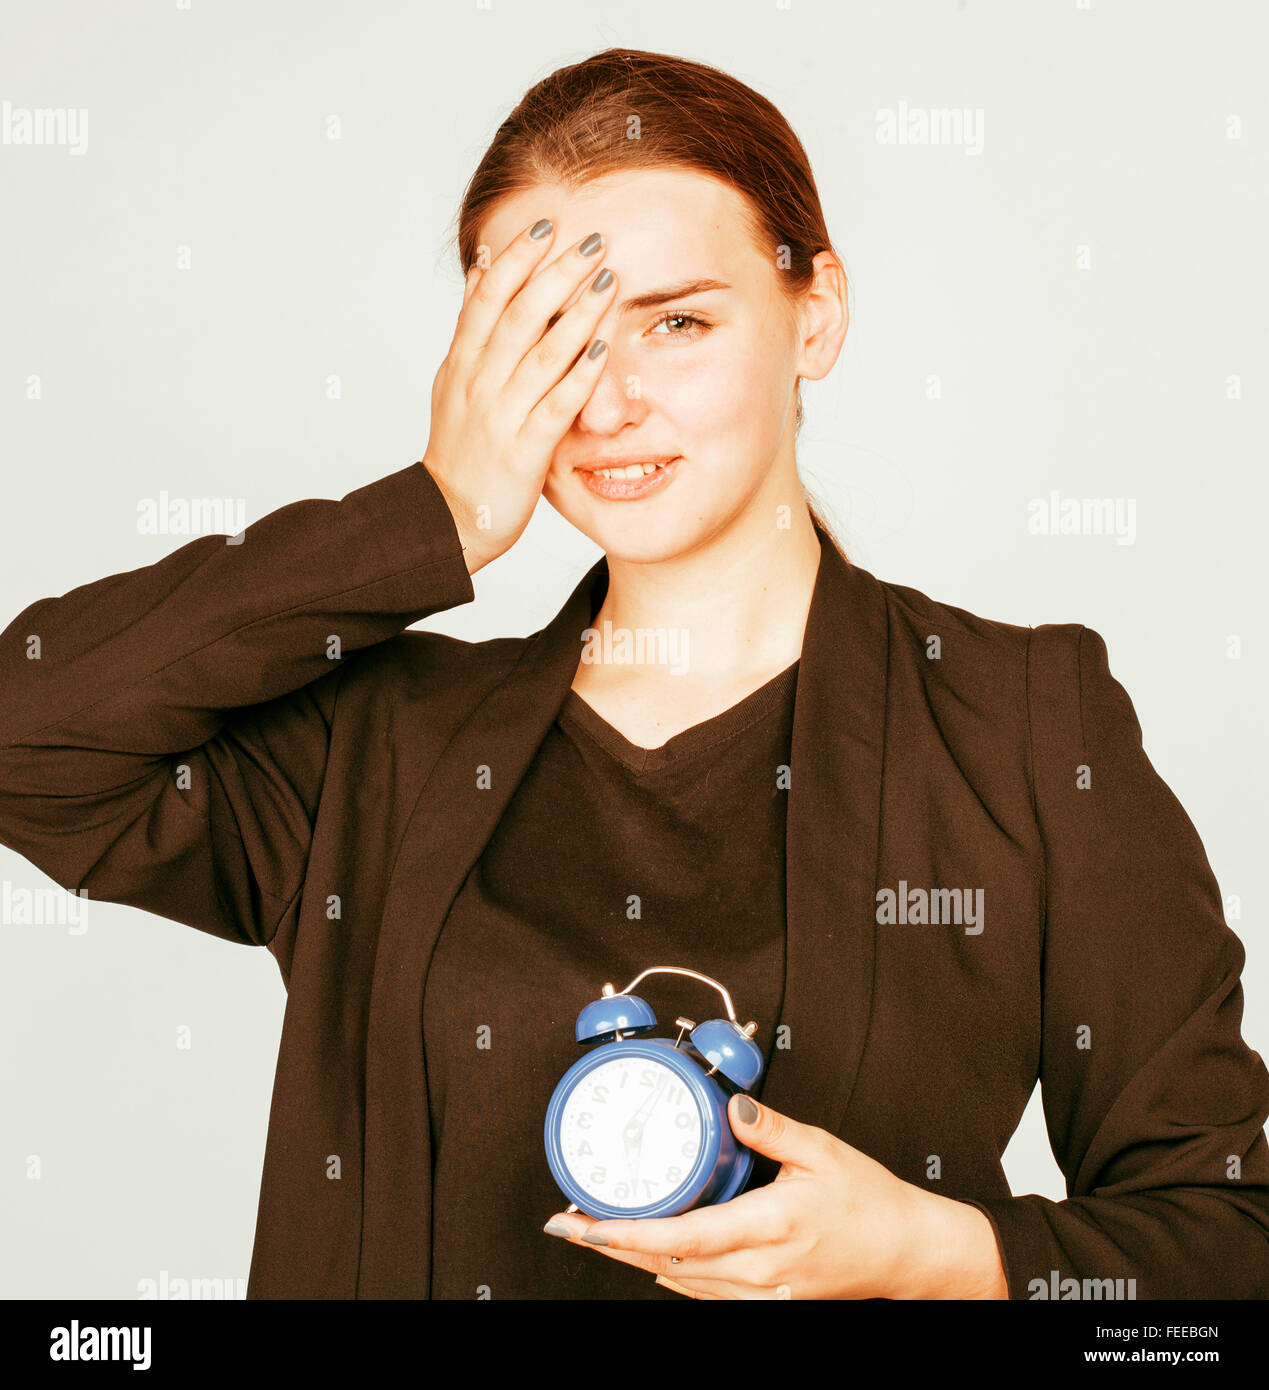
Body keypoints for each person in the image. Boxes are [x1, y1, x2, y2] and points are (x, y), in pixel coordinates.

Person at [1, 47, 1266, 1301]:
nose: (607, 405)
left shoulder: (1025, 728)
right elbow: (28, 731)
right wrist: (434, 515)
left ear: (814, 314)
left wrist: (942, 1255)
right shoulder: (374, 745)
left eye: (677, 322)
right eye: (552, 338)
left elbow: (1229, 1237)